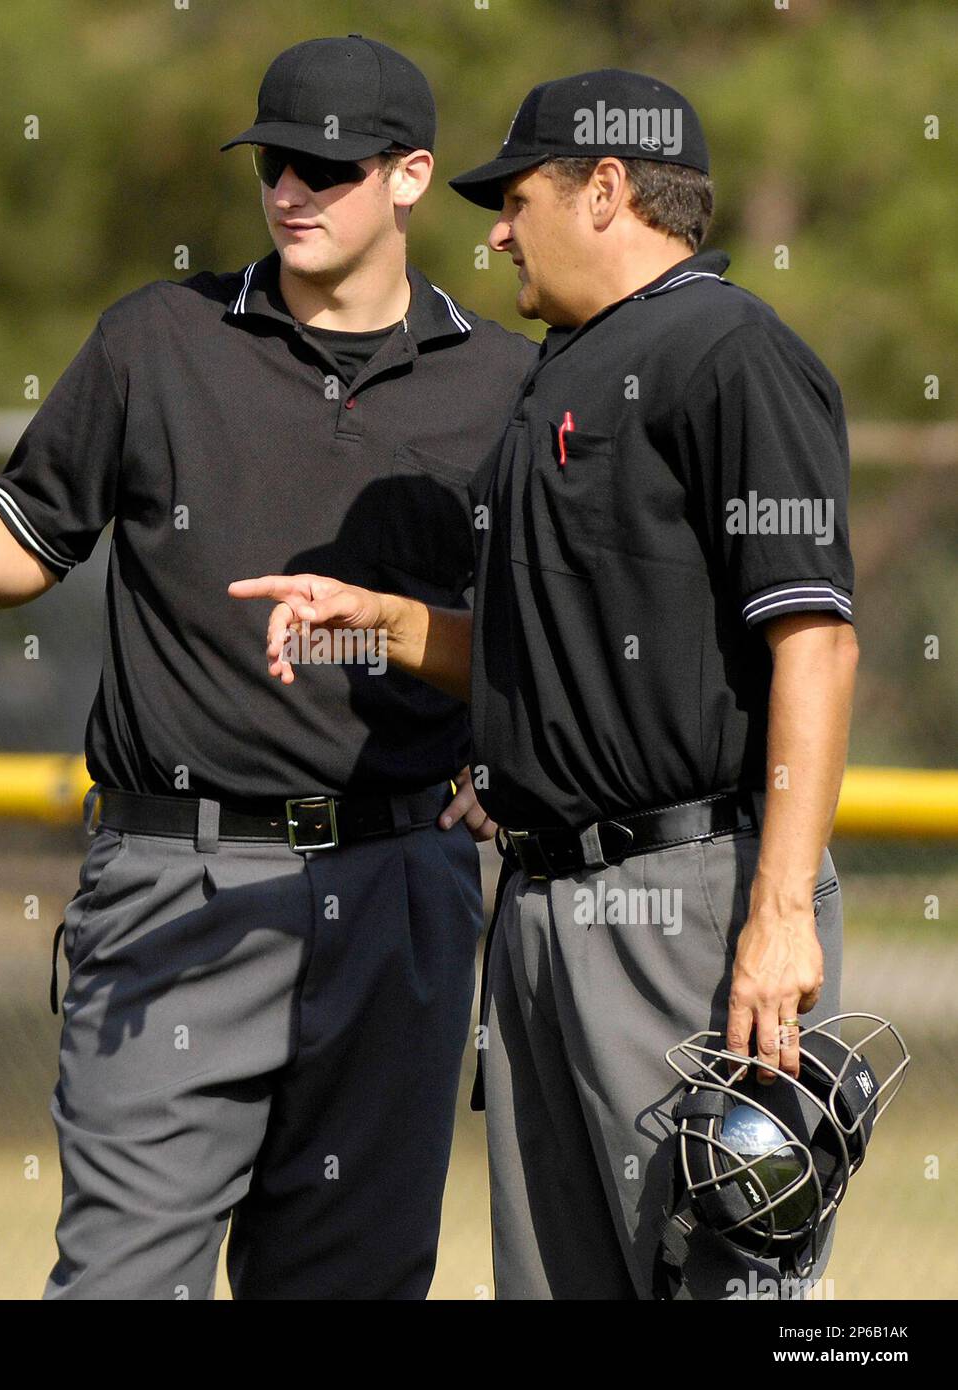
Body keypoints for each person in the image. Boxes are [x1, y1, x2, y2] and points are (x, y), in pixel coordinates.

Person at [0, 34, 537, 1299]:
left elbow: (539, 642)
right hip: (180, 883)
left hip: (402, 888)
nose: (292, 190)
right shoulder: (156, 340)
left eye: (329, 167)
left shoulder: (506, 384)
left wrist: (519, 766)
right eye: (276, 162)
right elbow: (22, 538)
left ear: (410, 179)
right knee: (121, 1282)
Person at [231, 68, 858, 1300]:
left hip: (685, 899)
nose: (498, 229)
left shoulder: (730, 352)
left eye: (516, 198)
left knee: (724, 1279)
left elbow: (815, 643)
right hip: (538, 905)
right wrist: (394, 628)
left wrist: (779, 914)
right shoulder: (562, 371)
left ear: (608, 187)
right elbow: (541, 650)